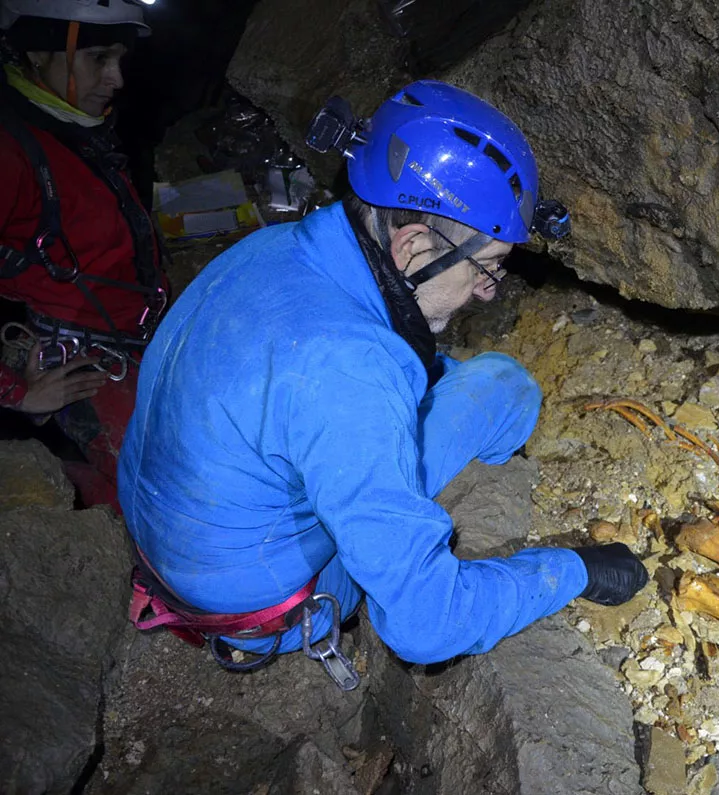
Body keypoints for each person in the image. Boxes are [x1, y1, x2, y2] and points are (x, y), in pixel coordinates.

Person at [120, 80, 648, 688]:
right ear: (416, 244)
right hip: (266, 600)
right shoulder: (353, 372)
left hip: (177, 540)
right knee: (505, 385)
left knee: (466, 384)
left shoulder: (274, 247)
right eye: (489, 267)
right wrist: (572, 572)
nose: (487, 290)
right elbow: (427, 626)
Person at [0, 0, 168, 510]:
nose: (115, 78)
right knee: (163, 493)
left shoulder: (68, 125)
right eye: (98, 58)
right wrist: (16, 392)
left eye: (119, 58)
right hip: (85, 365)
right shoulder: (11, 150)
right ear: (37, 55)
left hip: (135, 338)